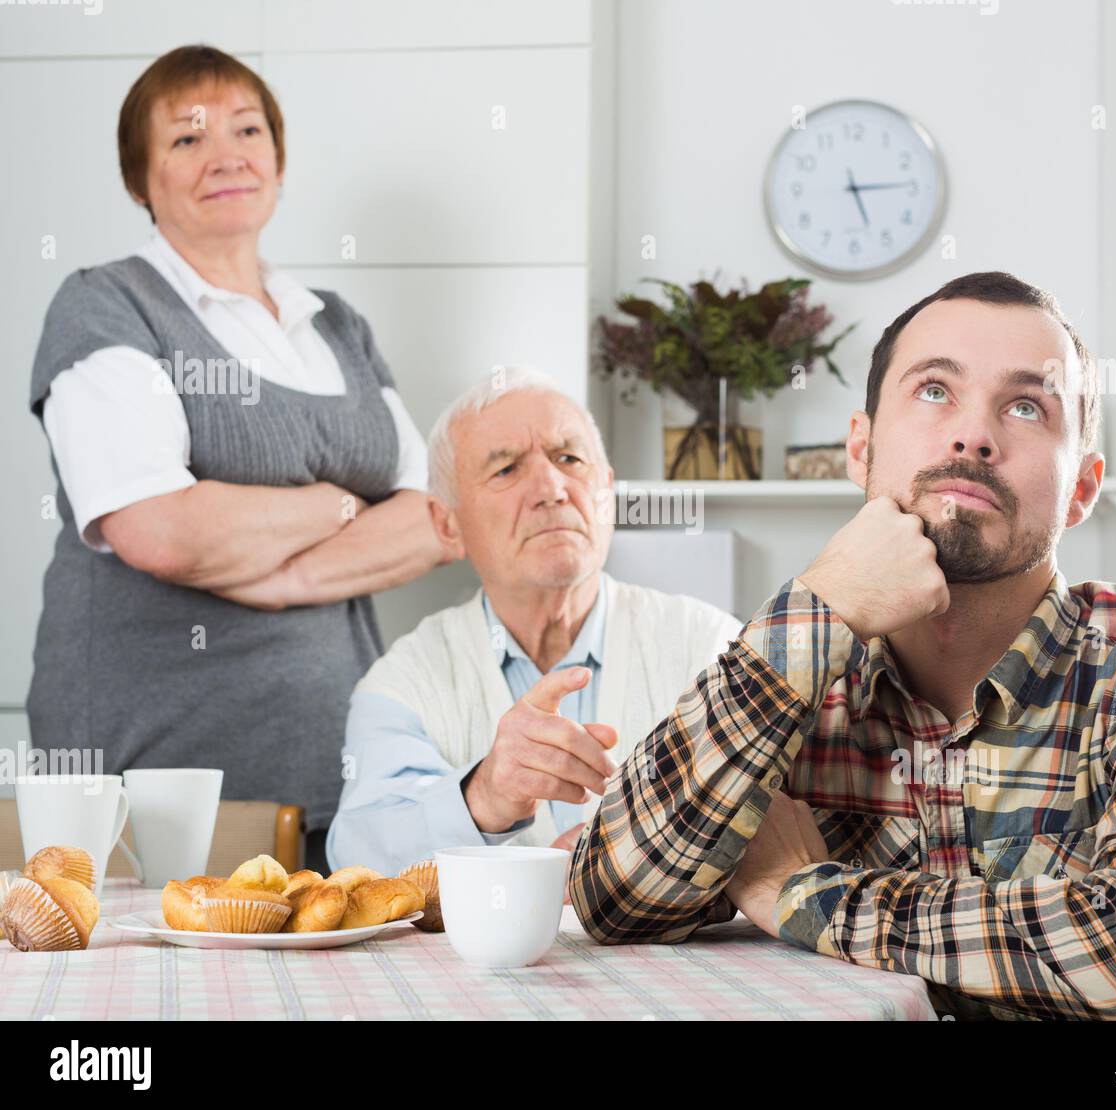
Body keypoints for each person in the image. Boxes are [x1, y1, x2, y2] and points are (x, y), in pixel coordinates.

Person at [569, 272, 1116, 1021]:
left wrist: (805, 897)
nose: (974, 435)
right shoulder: (796, 670)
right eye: (935, 390)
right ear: (860, 446)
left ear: (1081, 490)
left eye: (1027, 406)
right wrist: (822, 605)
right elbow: (613, 898)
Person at [27, 45, 446, 872]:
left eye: (247, 130)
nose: (225, 154)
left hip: (343, 767)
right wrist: (341, 505)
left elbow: (435, 517)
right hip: (158, 780)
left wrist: (281, 577)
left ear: (279, 163)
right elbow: (160, 532)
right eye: (186, 139)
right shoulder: (105, 305)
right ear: (139, 179)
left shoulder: (334, 322)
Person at [327, 368, 740, 875]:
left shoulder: (712, 647)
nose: (551, 487)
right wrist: (487, 796)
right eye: (505, 470)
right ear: (447, 523)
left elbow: (789, 825)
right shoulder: (404, 683)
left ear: (606, 491)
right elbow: (359, 854)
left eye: (569, 458)